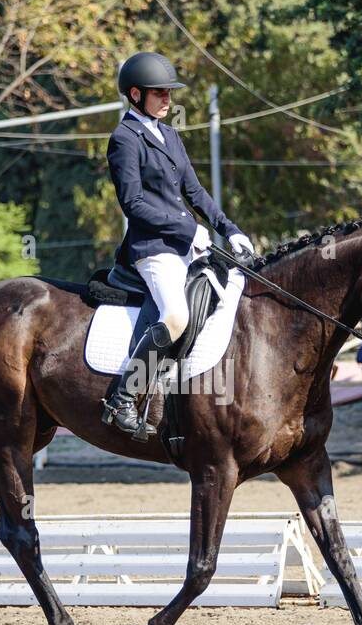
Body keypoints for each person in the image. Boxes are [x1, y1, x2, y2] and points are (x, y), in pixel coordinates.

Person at [101, 51, 256, 439]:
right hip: (153, 249)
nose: (169, 99)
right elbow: (133, 204)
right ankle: (123, 397)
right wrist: (188, 232)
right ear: (135, 95)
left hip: (185, 247)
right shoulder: (124, 139)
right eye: (160, 93)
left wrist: (229, 228)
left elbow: (194, 191)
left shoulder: (168, 134)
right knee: (176, 316)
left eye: (170, 92)